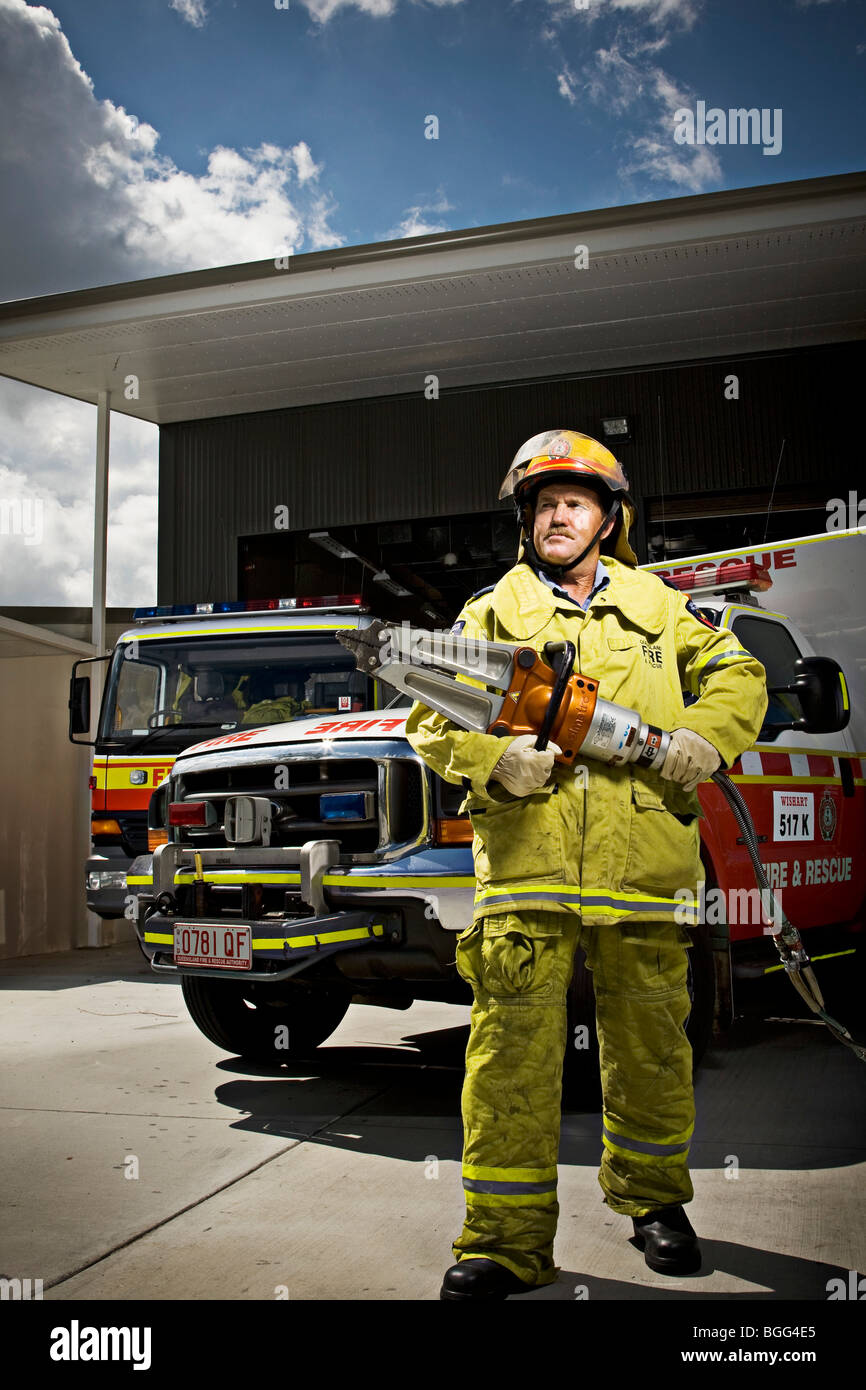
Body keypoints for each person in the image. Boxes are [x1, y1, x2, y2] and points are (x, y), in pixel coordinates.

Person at [404, 429, 768, 1300]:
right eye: (541, 504)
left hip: (643, 873)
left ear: (609, 518)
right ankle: (503, 1243)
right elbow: (430, 719)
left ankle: (654, 1205)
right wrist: (495, 763)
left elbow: (742, 675)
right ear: (525, 521)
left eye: (574, 501)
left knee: (650, 1049)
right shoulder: (493, 614)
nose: (555, 515)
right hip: (527, 876)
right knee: (509, 1063)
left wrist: (701, 740)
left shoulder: (663, 608)